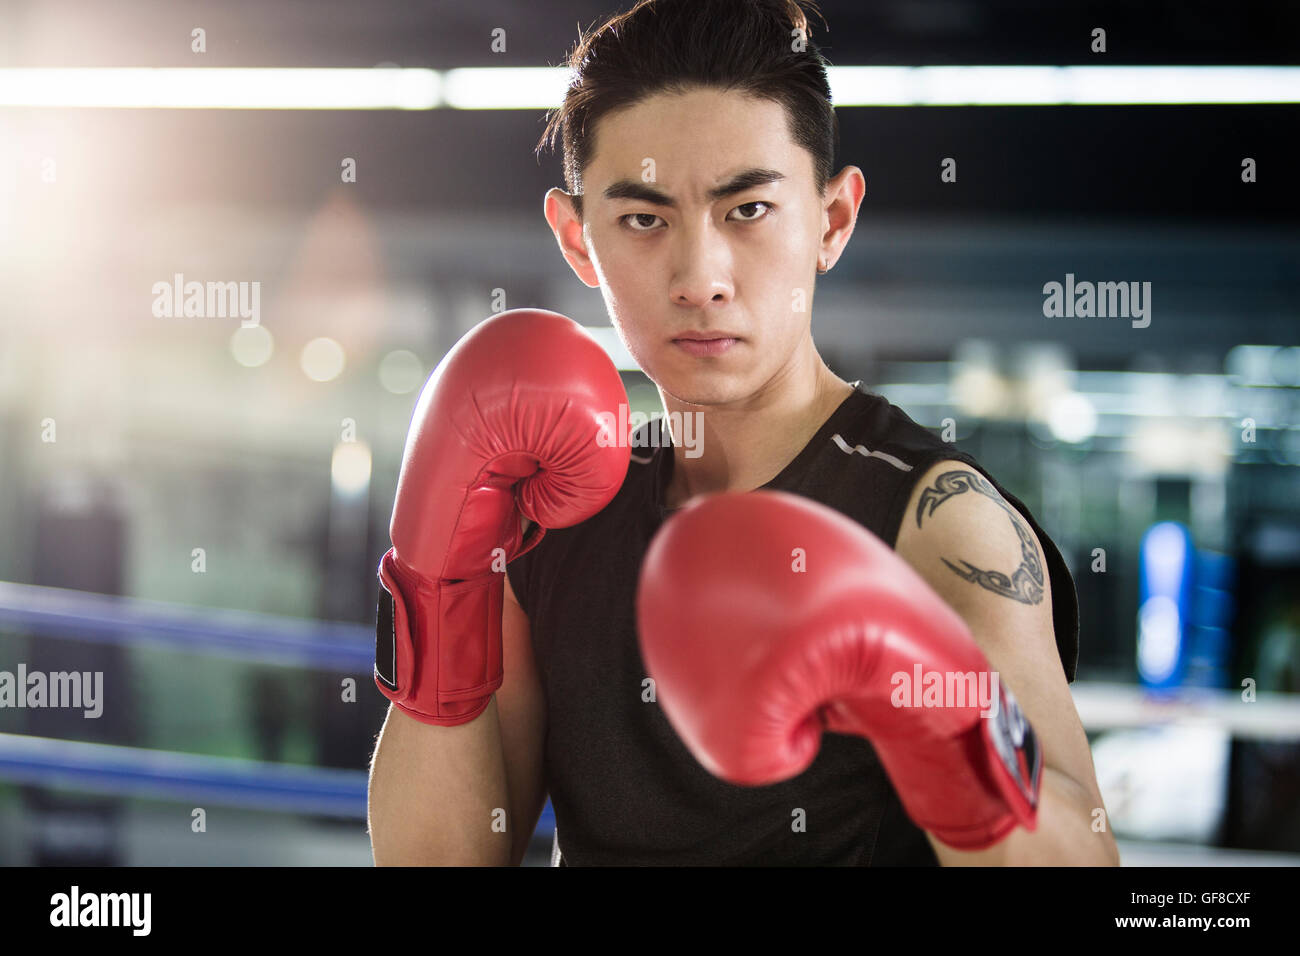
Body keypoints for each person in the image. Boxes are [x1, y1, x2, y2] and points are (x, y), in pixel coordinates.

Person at [368, 0, 1119, 866]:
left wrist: (932, 705)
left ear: (831, 221)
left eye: (748, 210)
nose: (700, 277)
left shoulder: (935, 520)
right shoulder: (550, 511)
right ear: (579, 243)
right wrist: (438, 583)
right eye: (644, 219)